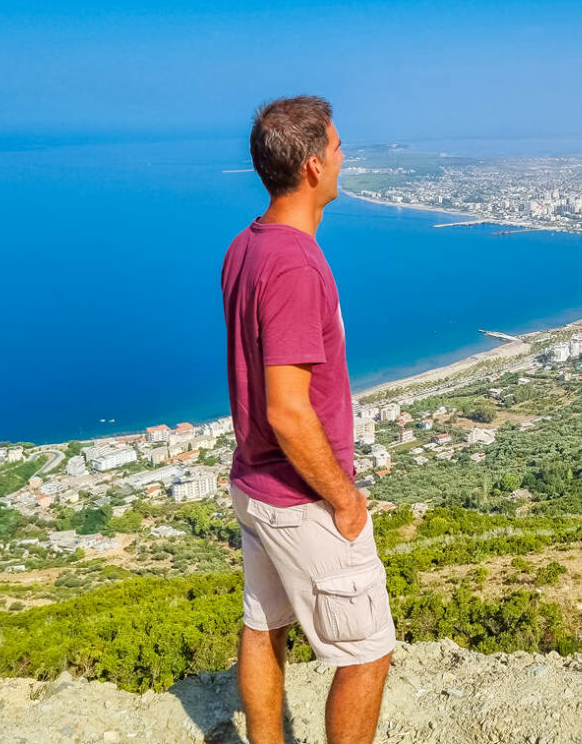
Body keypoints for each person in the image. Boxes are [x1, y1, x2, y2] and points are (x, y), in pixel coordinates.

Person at [221, 95, 394, 744]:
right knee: (367, 650)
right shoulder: (295, 263)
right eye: (341, 146)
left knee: (265, 621)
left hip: (256, 486)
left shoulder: (247, 246)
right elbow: (289, 410)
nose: (347, 156)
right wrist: (344, 498)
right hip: (301, 498)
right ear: (315, 166)